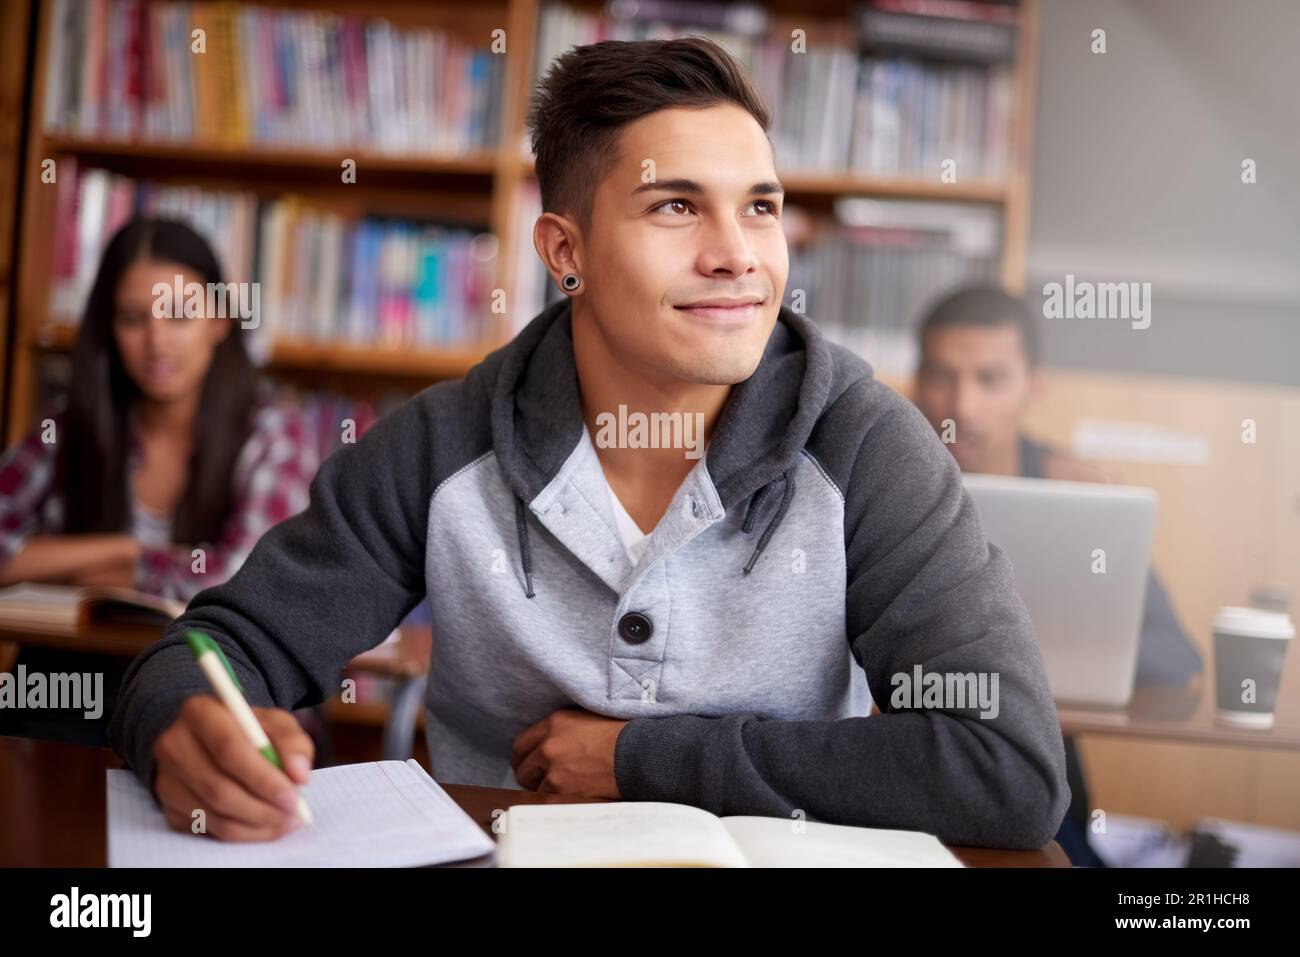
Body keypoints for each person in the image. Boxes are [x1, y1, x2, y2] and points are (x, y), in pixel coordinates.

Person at [110, 38, 1069, 848]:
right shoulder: (446, 441)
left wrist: (642, 759)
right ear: (564, 252)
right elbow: (219, 643)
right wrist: (179, 719)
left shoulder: (866, 445)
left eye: (762, 206)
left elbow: (1009, 765)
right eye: (677, 206)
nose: (738, 253)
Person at [912, 284, 1204, 865]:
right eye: (943, 377)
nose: (962, 406)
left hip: (1033, 784)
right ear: (916, 379)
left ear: (1033, 387)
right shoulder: (884, 483)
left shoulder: (1078, 497)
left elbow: (1174, 658)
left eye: (991, 380)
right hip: (904, 768)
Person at [0, 217, 320, 743]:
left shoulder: (272, 430)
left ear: (218, 318)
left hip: (215, 688)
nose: (156, 341)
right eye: (132, 318)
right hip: (71, 689)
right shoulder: (70, 424)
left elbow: (247, 579)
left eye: (179, 314)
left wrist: (120, 564)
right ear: (108, 329)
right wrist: (119, 549)